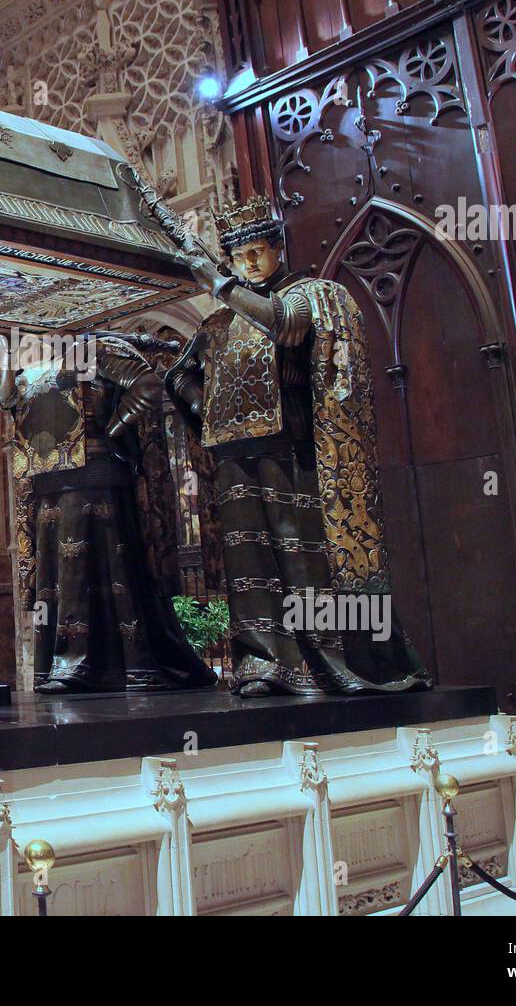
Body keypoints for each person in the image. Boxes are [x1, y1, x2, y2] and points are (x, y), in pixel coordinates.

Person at [166, 193, 431, 697]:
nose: (249, 262)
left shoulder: (309, 293)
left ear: (276, 250)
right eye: (238, 255)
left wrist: (217, 284)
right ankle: (265, 663)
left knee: (300, 555)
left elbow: (284, 325)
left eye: (258, 251)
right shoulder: (217, 323)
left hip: (292, 444)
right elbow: (179, 377)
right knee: (249, 560)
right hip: (233, 451)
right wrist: (208, 408)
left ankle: (331, 660)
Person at [0, 333, 217, 694]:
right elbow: (4, 398)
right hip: (48, 482)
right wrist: (6, 357)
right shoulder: (28, 368)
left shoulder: (97, 350)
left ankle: (82, 664)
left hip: (95, 477)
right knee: (58, 573)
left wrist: (113, 429)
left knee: (88, 567)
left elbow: (147, 384)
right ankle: (60, 664)